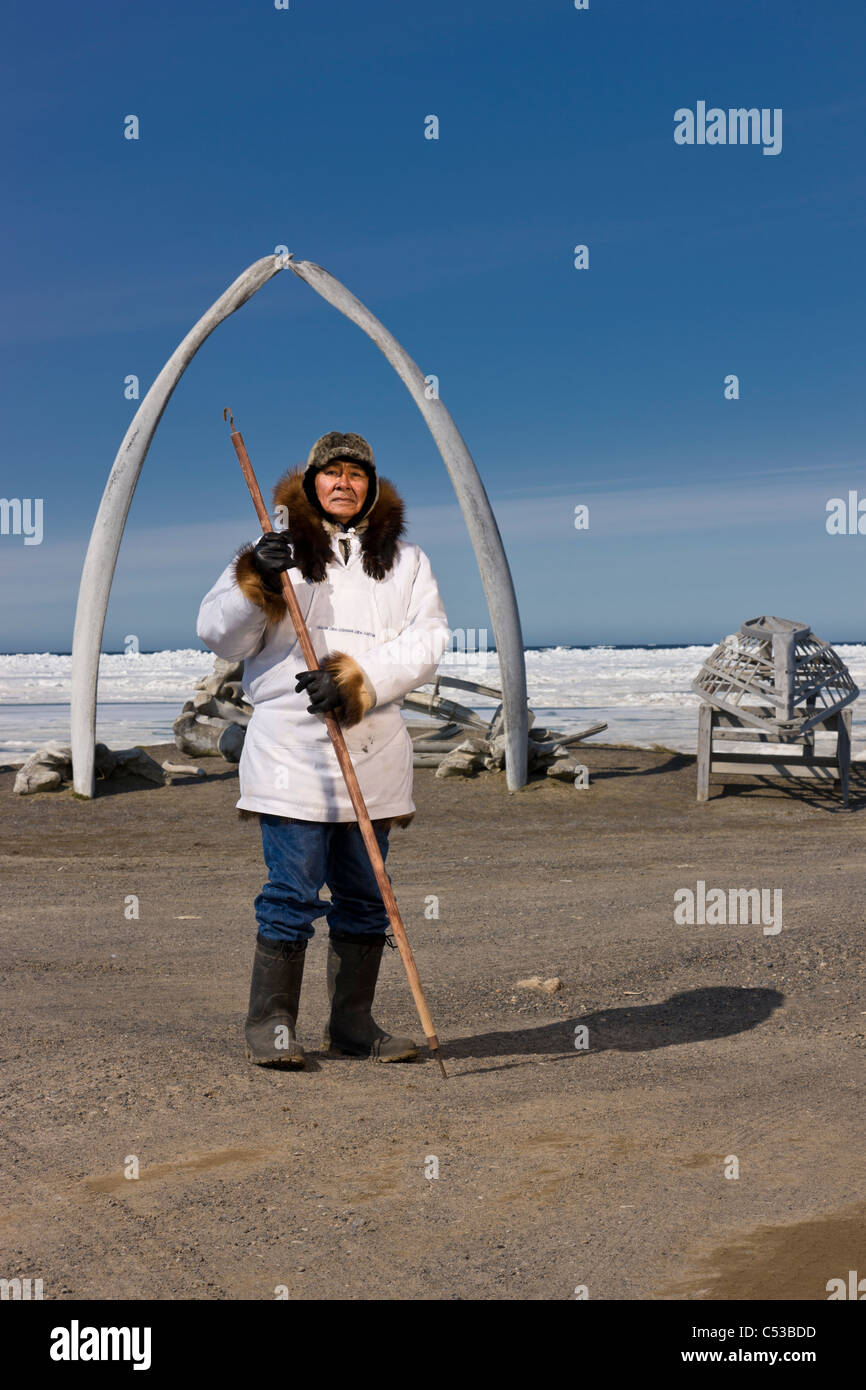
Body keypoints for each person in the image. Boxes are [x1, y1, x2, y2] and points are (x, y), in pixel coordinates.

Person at [197, 430, 450, 1069]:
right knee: (293, 891)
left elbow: (427, 643)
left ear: (371, 486)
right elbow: (219, 636)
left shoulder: (407, 560)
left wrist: (354, 678)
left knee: (367, 895)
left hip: (373, 746)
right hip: (292, 750)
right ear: (312, 482)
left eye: (356, 474)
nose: (344, 483)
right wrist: (256, 578)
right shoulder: (273, 545)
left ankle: (354, 1025)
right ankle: (273, 1024)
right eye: (331, 474)